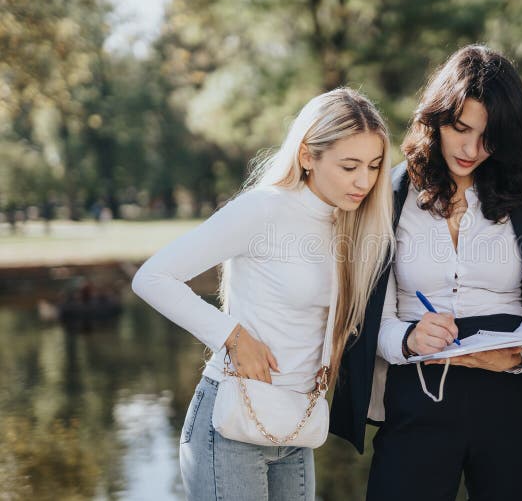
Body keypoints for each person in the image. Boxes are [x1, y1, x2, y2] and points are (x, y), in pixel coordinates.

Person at [330, 45, 522, 501]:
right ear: (436, 118)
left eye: (489, 136)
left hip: (512, 404)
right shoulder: (390, 197)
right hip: (417, 400)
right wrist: (407, 340)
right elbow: (369, 319)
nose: (470, 149)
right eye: (459, 128)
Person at [132, 87, 394, 501]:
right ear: (308, 156)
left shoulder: (352, 225)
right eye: (349, 166)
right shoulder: (264, 209)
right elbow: (152, 277)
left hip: (298, 424)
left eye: (374, 166)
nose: (364, 181)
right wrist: (231, 335)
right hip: (231, 422)